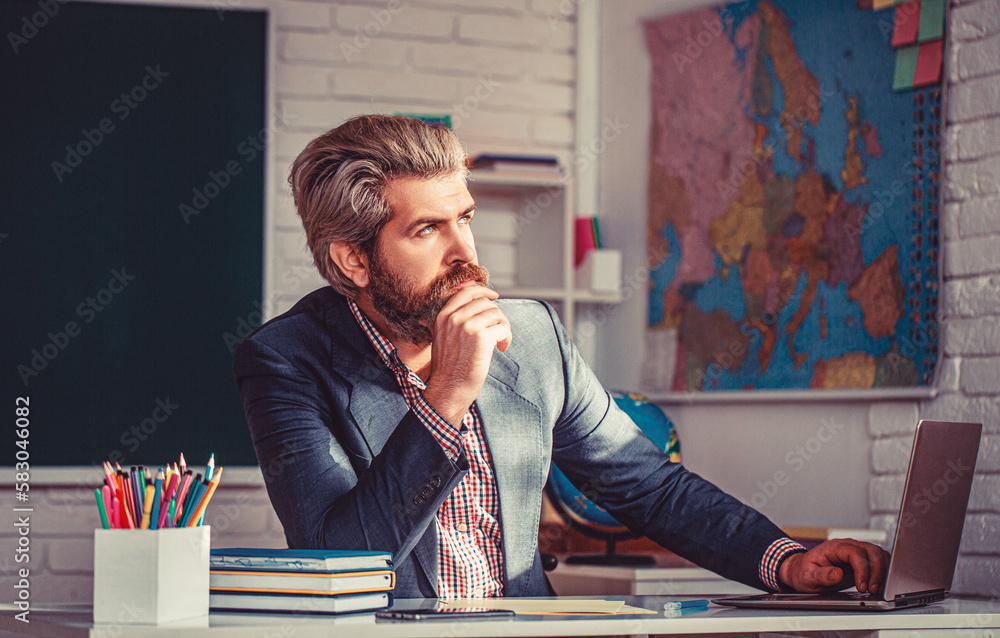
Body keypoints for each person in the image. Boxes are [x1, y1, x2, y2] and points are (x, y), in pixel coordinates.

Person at [233, 115, 889, 600]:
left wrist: (784, 560)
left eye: (464, 217)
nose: (464, 250)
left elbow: (645, 484)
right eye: (427, 229)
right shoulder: (285, 360)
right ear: (354, 260)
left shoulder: (534, 334)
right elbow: (337, 558)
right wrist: (449, 393)